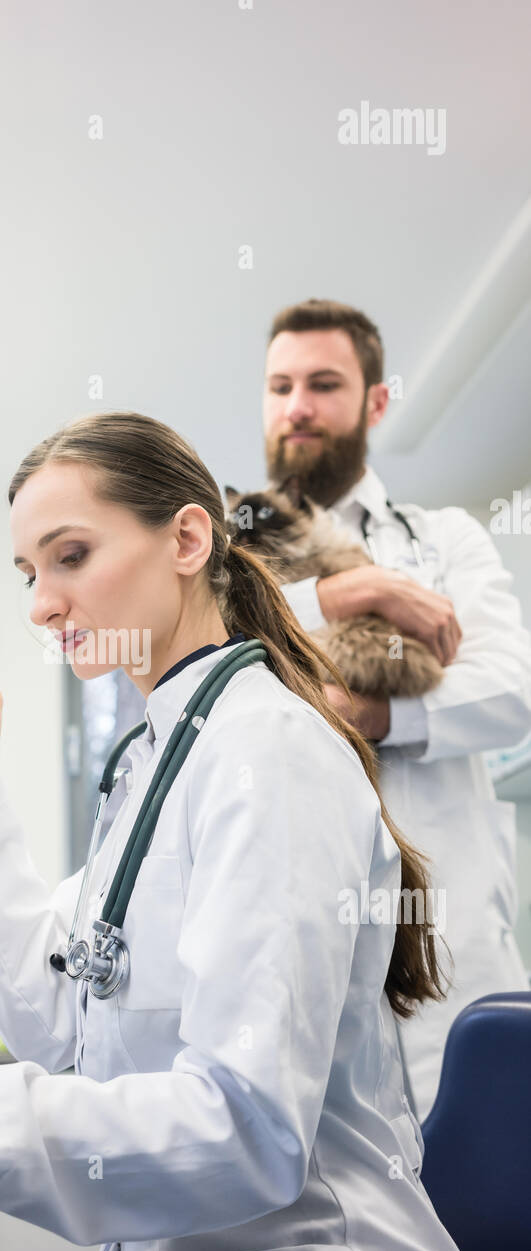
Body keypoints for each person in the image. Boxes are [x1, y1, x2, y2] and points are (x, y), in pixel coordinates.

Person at [0, 410, 482, 1251]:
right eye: (28, 573)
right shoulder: (157, 761)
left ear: (188, 539)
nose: (41, 603)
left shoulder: (265, 749)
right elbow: (59, 1025)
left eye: (71, 555)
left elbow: (248, 1128)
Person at [260, 299, 531, 1120]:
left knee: (478, 1187)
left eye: (322, 383)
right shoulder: (235, 549)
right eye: (278, 386)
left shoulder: (443, 540)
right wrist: (351, 592)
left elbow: (511, 688)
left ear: (375, 402)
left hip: (450, 926)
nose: (296, 405)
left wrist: (374, 719)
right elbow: (220, 645)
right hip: (296, 927)